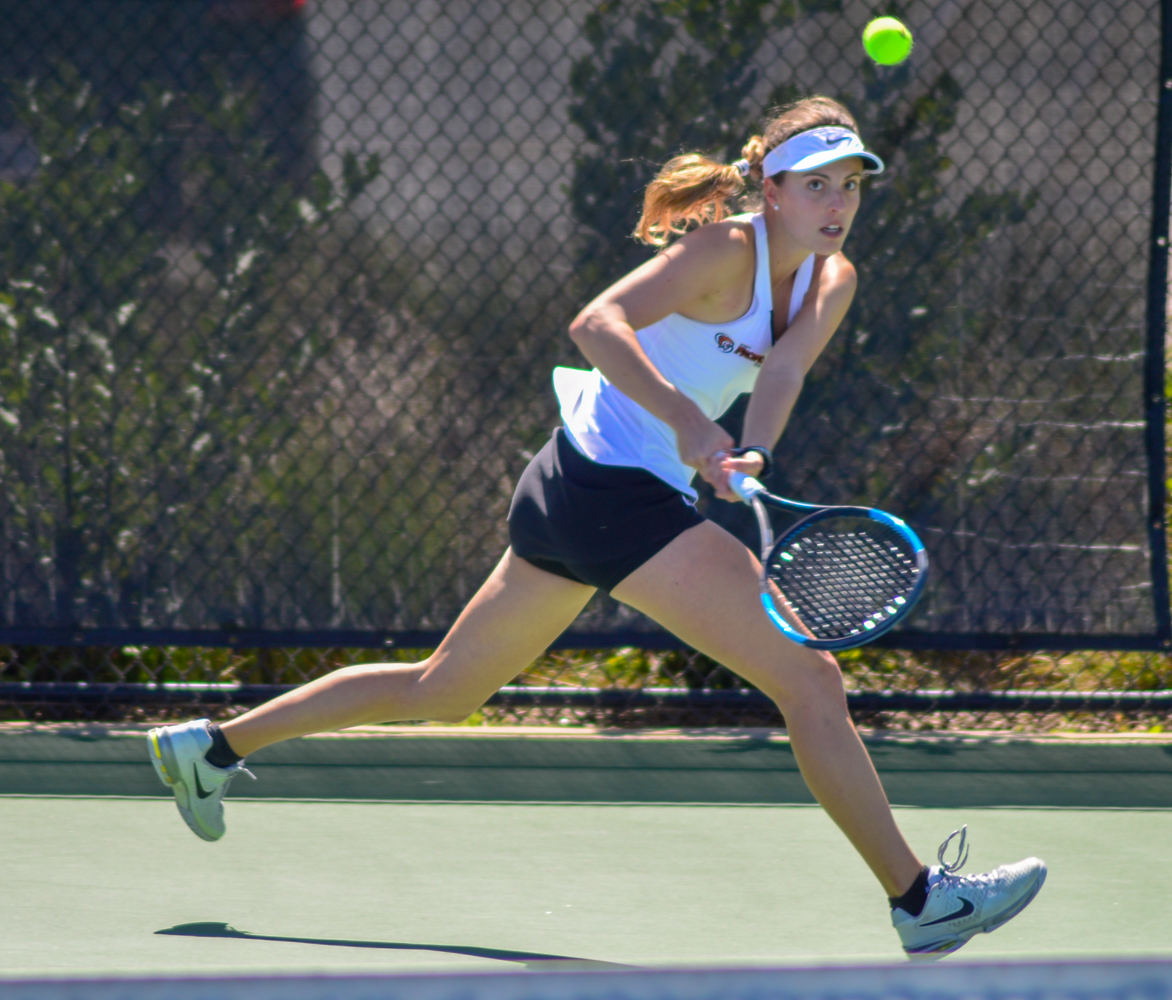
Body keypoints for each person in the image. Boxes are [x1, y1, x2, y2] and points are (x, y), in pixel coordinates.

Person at [146, 96, 1045, 960]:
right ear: (769, 189)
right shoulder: (722, 251)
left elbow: (782, 373)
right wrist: (693, 428)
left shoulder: (833, 278)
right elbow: (595, 322)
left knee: (442, 689)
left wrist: (754, 452)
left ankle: (212, 748)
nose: (838, 202)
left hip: (588, 487)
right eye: (817, 184)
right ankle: (922, 902)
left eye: (850, 183)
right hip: (607, 486)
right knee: (809, 678)